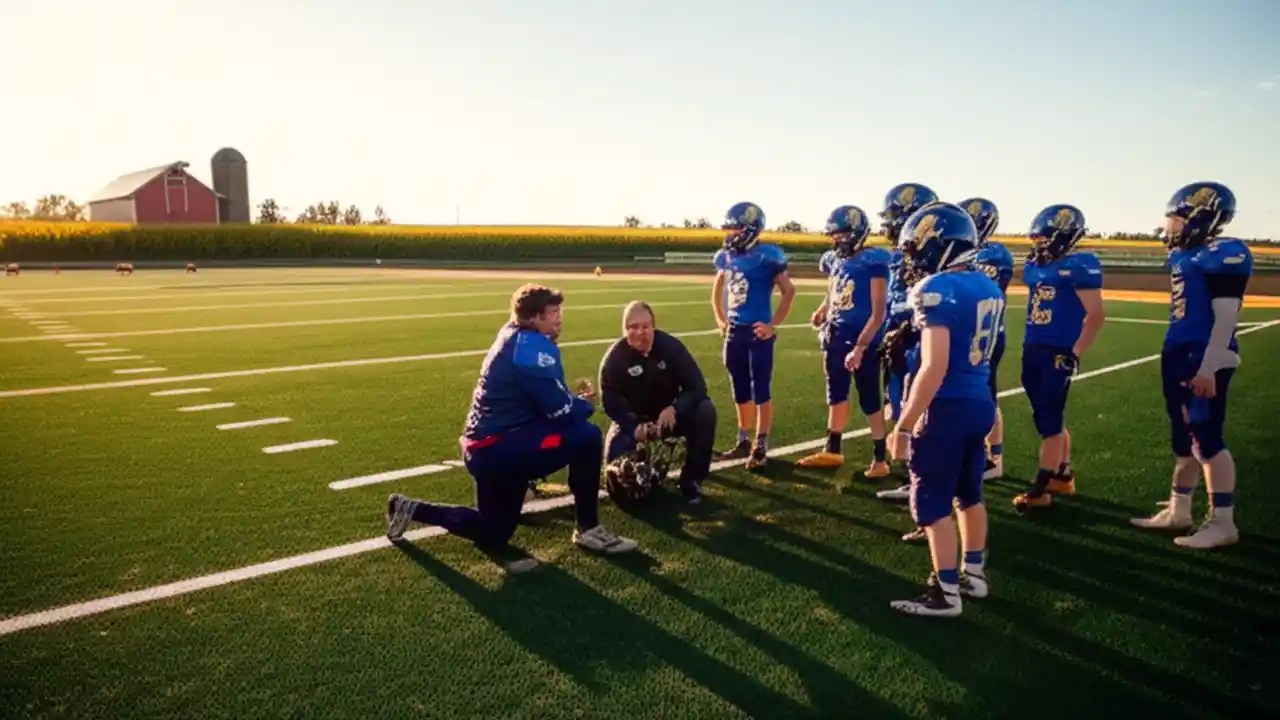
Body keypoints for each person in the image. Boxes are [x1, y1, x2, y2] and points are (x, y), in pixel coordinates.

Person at [385, 283, 639, 555]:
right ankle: (588, 528)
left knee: (493, 533)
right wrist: (584, 405)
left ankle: (410, 508)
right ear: (534, 317)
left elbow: (539, 400)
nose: (559, 318)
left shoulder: (512, 335)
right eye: (553, 312)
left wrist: (570, 403)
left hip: (487, 448)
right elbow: (561, 413)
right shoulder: (532, 349)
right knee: (587, 436)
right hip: (502, 448)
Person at [885, 202, 1003, 617]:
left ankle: (946, 594)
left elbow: (934, 366)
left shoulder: (937, 288)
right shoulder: (988, 285)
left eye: (920, 246)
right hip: (980, 403)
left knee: (932, 504)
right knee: (970, 495)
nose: (914, 256)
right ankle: (975, 575)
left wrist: (904, 423)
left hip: (946, 408)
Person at [1130, 182, 1251, 549]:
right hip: (1180, 353)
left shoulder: (1224, 252)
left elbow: (1227, 318)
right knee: (1185, 440)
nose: (1169, 227)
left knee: (1207, 439)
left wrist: (1210, 367)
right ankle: (1179, 510)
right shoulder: (1185, 256)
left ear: (1199, 217)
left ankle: (1223, 522)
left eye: (1175, 219)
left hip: (1203, 356)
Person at [1013, 204, 1106, 509]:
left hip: (1058, 351)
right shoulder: (1038, 266)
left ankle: (1040, 490)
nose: (1038, 245)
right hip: (1034, 347)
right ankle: (1063, 473)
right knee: (1045, 416)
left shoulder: (1080, 265)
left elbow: (1095, 314)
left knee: (1050, 423)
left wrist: (1076, 353)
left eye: (1043, 239)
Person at [797, 204, 891, 478]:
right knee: (835, 392)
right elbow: (835, 290)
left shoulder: (873, 261)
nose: (836, 239)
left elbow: (878, 313)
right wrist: (823, 308)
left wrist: (861, 347)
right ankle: (833, 449)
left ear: (856, 232)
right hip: (836, 334)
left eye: (841, 234)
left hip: (862, 338)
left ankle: (880, 458)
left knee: (869, 397)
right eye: (834, 235)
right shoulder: (835, 260)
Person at [599, 301, 717, 503]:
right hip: (634, 421)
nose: (640, 332)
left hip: (668, 416)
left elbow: (697, 386)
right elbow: (610, 401)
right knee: (616, 478)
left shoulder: (671, 347)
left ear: (654, 326)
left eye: (645, 326)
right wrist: (632, 426)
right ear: (625, 330)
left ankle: (692, 478)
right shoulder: (614, 359)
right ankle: (642, 470)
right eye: (633, 327)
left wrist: (675, 409)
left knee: (705, 411)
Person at [711, 201, 797, 470]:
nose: (729, 234)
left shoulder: (768, 256)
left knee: (761, 389)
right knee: (739, 389)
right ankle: (743, 440)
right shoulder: (726, 257)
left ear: (749, 229)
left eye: (735, 228)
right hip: (735, 330)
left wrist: (772, 324)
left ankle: (760, 443)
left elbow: (789, 291)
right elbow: (718, 289)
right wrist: (720, 318)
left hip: (757, 333)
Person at [961, 197, 1014, 481]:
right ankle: (977, 454)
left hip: (985, 336)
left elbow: (978, 291)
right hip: (965, 333)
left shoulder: (994, 254)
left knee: (986, 397)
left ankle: (994, 459)